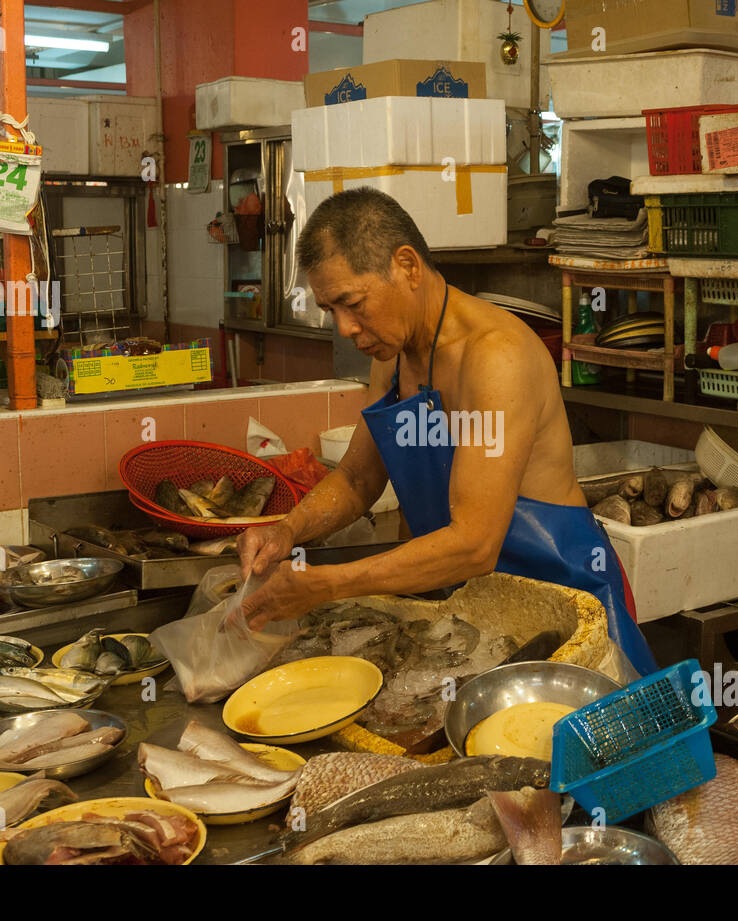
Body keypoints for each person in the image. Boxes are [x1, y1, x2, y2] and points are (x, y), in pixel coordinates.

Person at [238, 188, 656, 676]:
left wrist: (327, 583)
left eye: (352, 303)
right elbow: (356, 479)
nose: (346, 328)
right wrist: (288, 529)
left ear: (408, 267)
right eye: (331, 310)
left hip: (570, 612)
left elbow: (475, 543)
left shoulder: (496, 356)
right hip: (478, 612)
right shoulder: (391, 355)